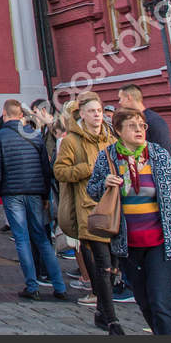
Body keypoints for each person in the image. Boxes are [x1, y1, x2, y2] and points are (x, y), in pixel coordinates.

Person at [87, 107, 171, 335]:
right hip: (128, 245)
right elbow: (92, 191)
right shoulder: (108, 157)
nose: (139, 130)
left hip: (162, 242)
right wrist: (105, 184)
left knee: (161, 303)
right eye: (132, 126)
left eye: (142, 126)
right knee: (145, 302)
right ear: (118, 130)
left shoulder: (158, 155)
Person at [0, 98, 70, 301]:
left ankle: (32, 286)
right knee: (42, 239)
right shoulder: (34, 135)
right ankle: (59, 286)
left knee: (22, 239)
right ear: (21, 115)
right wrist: (44, 195)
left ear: (5, 114)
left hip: (12, 193)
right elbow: (45, 168)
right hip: (34, 192)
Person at [55, 92, 117, 330]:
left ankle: (102, 308)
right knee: (102, 263)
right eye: (92, 112)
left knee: (112, 265)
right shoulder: (72, 140)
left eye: (99, 111)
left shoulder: (109, 139)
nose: (97, 116)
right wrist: (87, 169)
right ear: (82, 114)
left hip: (110, 207)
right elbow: (60, 171)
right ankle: (111, 318)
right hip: (87, 208)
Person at [117, 85, 171, 153]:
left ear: (128, 98)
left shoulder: (154, 120)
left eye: (120, 98)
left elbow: (164, 152)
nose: (119, 102)